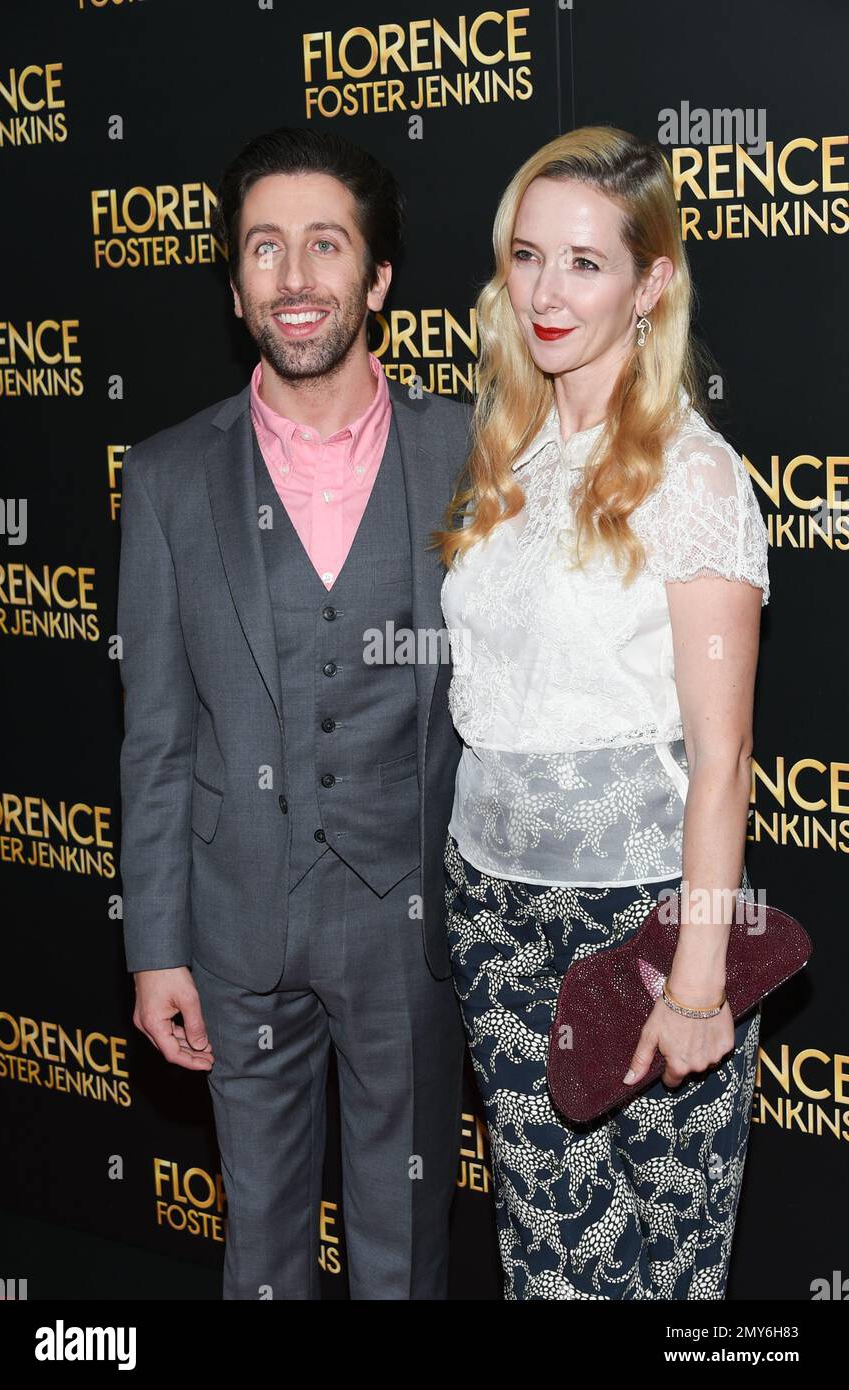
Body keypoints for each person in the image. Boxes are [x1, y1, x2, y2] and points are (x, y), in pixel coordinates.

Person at [117, 127, 472, 1300]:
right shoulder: (170, 477)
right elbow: (158, 734)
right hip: (235, 927)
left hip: (406, 928)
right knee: (260, 1246)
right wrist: (156, 944)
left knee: (402, 1244)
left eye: (325, 245)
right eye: (264, 248)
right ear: (235, 284)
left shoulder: (471, 452)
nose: (295, 276)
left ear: (375, 280)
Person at [432, 125, 770, 1300]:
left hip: (644, 929)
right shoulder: (504, 457)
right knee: (549, 1263)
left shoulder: (697, 479)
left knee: (661, 1276)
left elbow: (722, 766)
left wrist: (696, 983)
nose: (547, 291)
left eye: (586, 262)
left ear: (652, 283)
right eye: (528, 257)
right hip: (491, 920)